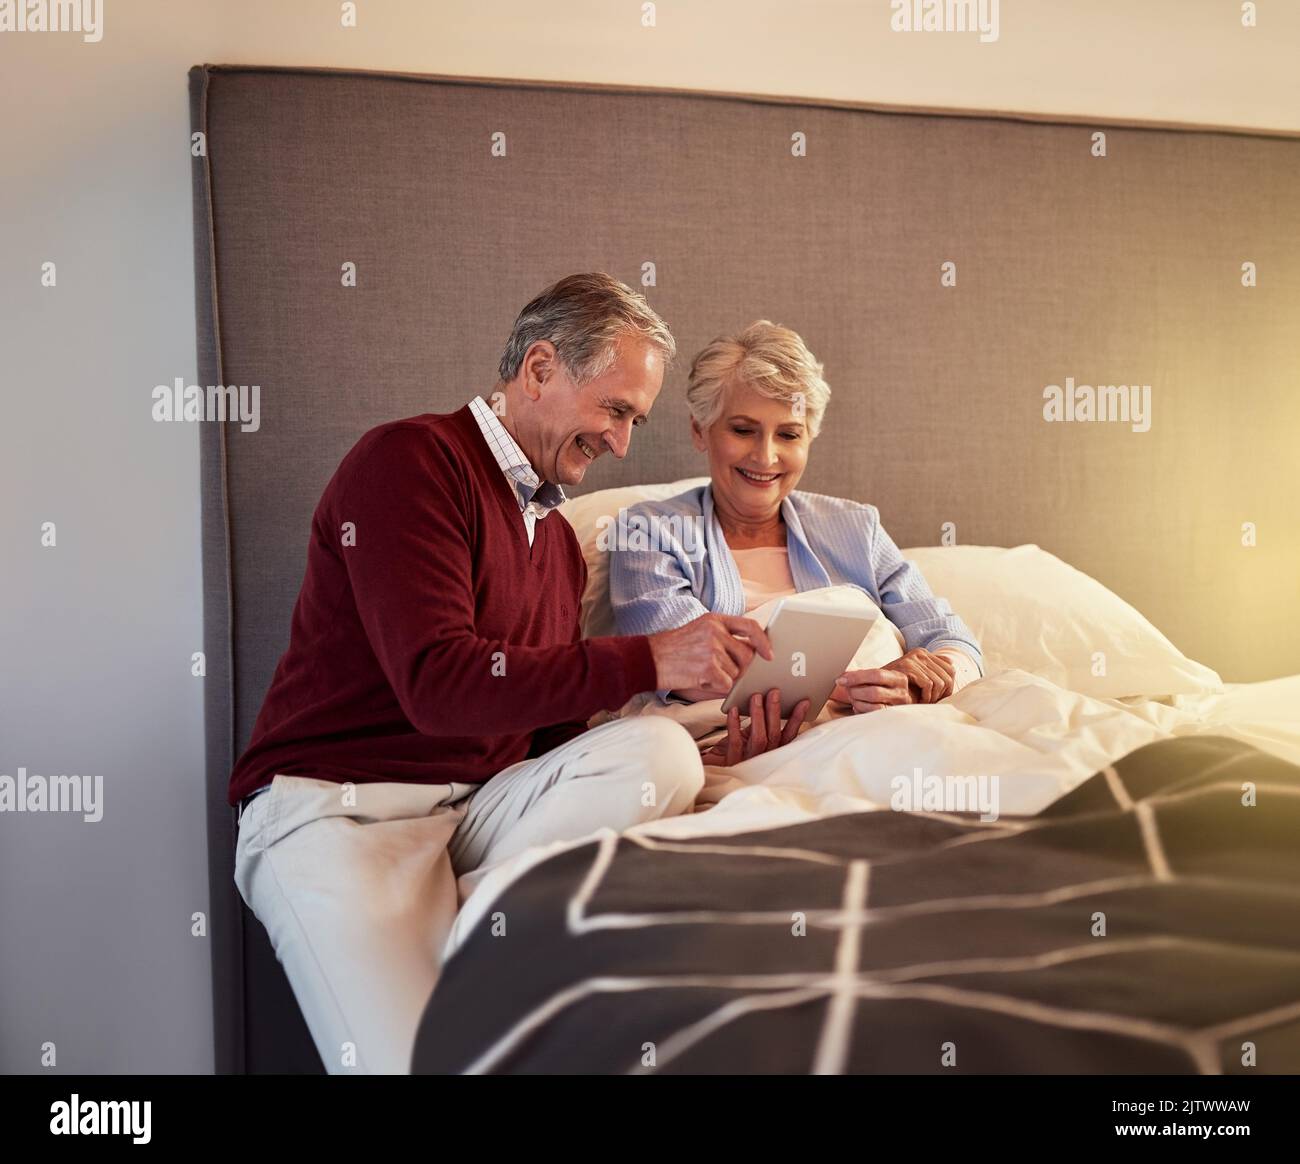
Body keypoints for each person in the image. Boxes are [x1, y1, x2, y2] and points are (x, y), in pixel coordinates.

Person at [228, 274, 773, 1073]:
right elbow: (439, 683)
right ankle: (459, 959)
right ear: (541, 368)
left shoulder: (553, 542)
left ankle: (483, 936)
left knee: (658, 753)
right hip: (339, 811)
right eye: (615, 411)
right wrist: (652, 654)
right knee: (416, 1062)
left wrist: (707, 740)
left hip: (476, 815)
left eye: (635, 420)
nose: (623, 442)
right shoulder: (410, 462)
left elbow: (540, 734)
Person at [609, 320, 984, 766]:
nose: (765, 456)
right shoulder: (649, 531)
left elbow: (951, 639)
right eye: (743, 430)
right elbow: (688, 663)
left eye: (788, 434)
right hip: (741, 748)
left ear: (809, 439)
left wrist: (924, 679)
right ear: (700, 430)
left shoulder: (854, 528)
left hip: (878, 734)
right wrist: (858, 681)